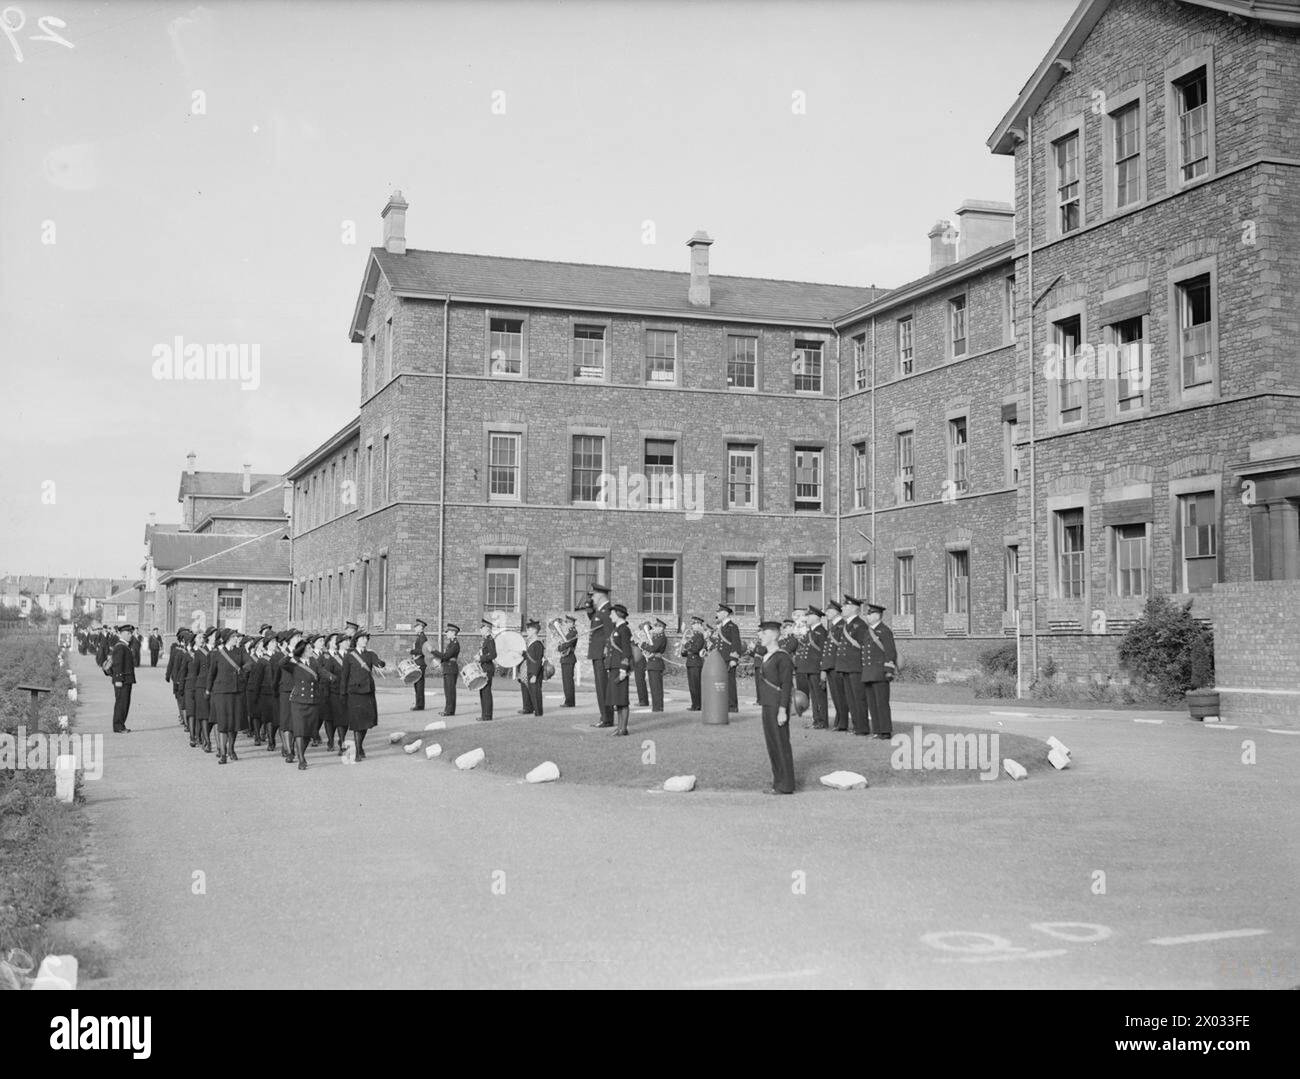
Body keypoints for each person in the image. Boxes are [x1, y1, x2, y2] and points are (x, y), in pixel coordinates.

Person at [756, 620, 795, 795]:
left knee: (781, 744)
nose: (760, 636)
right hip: (767, 705)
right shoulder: (766, 655)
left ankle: (786, 785)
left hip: (777, 706)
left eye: (763, 633)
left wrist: (782, 710)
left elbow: (786, 685)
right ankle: (778, 782)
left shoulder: (782, 657)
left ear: (773, 635)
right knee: (772, 745)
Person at [287, 633, 333, 770]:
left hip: (312, 701)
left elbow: (321, 672)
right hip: (298, 701)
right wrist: (292, 654)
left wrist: (332, 677)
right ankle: (301, 758)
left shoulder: (313, 661)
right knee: (300, 730)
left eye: (310, 648)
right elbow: (281, 664)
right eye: (307, 649)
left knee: (308, 731)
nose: (311, 650)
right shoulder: (294, 662)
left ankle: (301, 752)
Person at [343, 629, 385, 759]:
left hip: (367, 692)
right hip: (354, 693)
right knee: (357, 723)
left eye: (366, 639)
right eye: (362, 638)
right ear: (356, 640)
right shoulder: (349, 656)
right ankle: (357, 752)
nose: (365, 641)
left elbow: (378, 662)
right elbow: (344, 676)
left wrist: (381, 663)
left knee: (366, 722)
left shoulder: (370, 654)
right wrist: (342, 693)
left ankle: (360, 746)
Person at [207, 628, 244, 764]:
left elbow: (249, 664)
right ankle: (223, 753)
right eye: (234, 637)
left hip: (236, 692)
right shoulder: (217, 654)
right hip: (221, 692)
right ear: (228, 638)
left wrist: (242, 672)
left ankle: (231, 749)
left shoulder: (240, 651)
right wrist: (208, 690)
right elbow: (211, 673)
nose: (237, 639)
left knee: (234, 723)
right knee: (222, 723)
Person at [861, 602, 897, 739]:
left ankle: (885, 731)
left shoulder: (885, 631)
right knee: (872, 703)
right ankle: (877, 729)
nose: (868, 616)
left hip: (880, 672)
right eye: (867, 614)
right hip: (869, 672)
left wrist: (889, 670)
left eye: (870, 614)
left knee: (881, 703)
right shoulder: (868, 632)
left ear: (877, 615)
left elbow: (890, 652)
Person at [839, 595, 870, 736]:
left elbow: (864, 647)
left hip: (856, 667)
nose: (842, 608)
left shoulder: (860, 625)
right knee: (851, 699)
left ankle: (862, 727)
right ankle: (856, 726)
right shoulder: (847, 624)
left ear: (853, 609)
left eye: (845, 606)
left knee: (859, 698)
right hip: (846, 666)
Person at [795, 606, 829, 729]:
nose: (806, 618)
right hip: (809, 669)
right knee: (814, 697)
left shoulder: (821, 632)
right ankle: (816, 720)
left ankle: (822, 721)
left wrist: (823, 670)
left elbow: (824, 653)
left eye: (808, 616)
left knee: (819, 696)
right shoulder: (811, 632)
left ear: (815, 617)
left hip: (816, 669)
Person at [586, 584, 614, 728]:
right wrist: (588, 606)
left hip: (602, 655)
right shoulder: (600, 611)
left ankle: (607, 718)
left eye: (593, 595)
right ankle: (604, 716)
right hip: (597, 654)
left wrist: (607, 654)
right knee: (600, 687)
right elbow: (591, 616)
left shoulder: (607, 611)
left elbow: (610, 635)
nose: (592, 598)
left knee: (603, 687)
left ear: (601, 595)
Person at [604, 603, 633, 736]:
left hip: (620, 667)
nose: (610, 616)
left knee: (622, 699)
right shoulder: (617, 629)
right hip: (614, 666)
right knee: (617, 700)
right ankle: (620, 727)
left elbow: (626, 651)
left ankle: (623, 728)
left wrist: (623, 669)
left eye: (612, 613)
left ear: (618, 614)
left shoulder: (624, 630)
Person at [822, 600, 848, 731]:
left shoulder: (842, 626)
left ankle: (843, 723)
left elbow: (842, 648)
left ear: (836, 612)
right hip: (830, 665)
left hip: (837, 665)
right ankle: (839, 721)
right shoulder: (833, 627)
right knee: (836, 696)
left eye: (829, 611)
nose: (826, 613)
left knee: (840, 696)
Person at [715, 604, 743, 712]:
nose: (717, 614)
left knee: (730, 684)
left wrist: (734, 659)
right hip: (721, 659)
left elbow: (736, 643)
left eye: (719, 612)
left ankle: (732, 706)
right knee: (722, 683)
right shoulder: (722, 627)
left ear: (725, 613)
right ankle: (725, 705)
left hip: (728, 659)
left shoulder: (732, 626)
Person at [429, 624, 460, 716]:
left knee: (450, 691)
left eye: (448, 632)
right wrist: (437, 662)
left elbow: (446, 656)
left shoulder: (455, 644)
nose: (446, 633)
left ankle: (450, 711)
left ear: (453, 633)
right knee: (447, 691)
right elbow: (445, 657)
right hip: (448, 668)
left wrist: (433, 651)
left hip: (451, 668)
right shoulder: (451, 643)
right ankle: (447, 709)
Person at [321, 633, 346, 752]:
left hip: (345, 692)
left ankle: (342, 740)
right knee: (330, 718)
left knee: (343, 719)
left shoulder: (349, 656)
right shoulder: (329, 658)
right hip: (333, 692)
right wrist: (325, 694)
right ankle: (331, 740)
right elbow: (325, 676)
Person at [109, 624, 136, 733]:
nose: (130, 635)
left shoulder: (124, 645)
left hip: (126, 679)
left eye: (131, 633)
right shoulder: (120, 646)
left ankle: (121, 725)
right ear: (122, 634)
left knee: (124, 703)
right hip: (122, 680)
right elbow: (118, 665)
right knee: (121, 703)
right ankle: (118, 726)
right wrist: (118, 680)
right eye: (128, 633)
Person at [681, 615, 706, 711]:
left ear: (699, 625)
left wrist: (686, 644)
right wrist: (684, 651)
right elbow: (689, 649)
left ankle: (698, 705)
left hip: (696, 662)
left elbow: (695, 649)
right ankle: (694, 704)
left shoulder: (699, 636)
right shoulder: (694, 636)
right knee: (692, 686)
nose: (692, 625)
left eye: (694, 624)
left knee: (696, 685)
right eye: (692, 624)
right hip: (691, 662)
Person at [473, 618, 497, 721]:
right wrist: (479, 657)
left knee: (486, 692)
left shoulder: (490, 640)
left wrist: (481, 658)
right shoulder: (485, 640)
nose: (480, 629)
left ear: (487, 628)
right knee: (482, 691)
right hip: (484, 667)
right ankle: (484, 714)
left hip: (488, 668)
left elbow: (493, 654)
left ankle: (487, 715)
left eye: (482, 627)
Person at [165, 630, 188, 725]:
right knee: (179, 698)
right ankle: (183, 717)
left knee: (183, 699)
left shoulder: (189, 649)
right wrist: (168, 674)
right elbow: (171, 663)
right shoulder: (176, 649)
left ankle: (184, 717)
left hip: (185, 678)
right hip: (177, 678)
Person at [522, 620, 545, 716]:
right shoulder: (531, 643)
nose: (527, 632)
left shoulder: (537, 644)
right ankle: (534, 709)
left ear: (534, 630)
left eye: (529, 630)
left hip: (534, 671)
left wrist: (535, 675)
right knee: (532, 691)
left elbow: (538, 660)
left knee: (536, 692)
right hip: (530, 670)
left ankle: (539, 712)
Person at [645, 618, 667, 712]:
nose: (655, 628)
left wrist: (643, 645)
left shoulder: (661, 637)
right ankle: (656, 706)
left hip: (656, 664)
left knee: (657, 687)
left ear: (661, 628)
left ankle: (658, 707)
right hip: (652, 663)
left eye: (657, 626)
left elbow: (654, 648)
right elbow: (651, 647)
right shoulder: (655, 637)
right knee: (653, 688)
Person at [557, 615, 578, 707]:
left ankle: (569, 702)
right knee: (566, 682)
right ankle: (569, 701)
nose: (567, 624)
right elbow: (563, 644)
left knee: (568, 681)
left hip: (569, 658)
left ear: (572, 623)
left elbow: (567, 644)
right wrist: (561, 646)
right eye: (566, 622)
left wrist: (560, 647)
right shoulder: (569, 633)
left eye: (568, 622)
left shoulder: (573, 633)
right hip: (566, 659)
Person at [409, 617, 428, 711]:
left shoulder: (422, 637)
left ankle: (420, 705)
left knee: (419, 684)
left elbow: (423, 650)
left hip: (420, 662)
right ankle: (418, 703)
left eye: (416, 626)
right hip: (418, 662)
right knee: (417, 683)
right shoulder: (419, 637)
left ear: (421, 627)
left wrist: (412, 651)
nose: (415, 628)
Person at [632, 624, 650, 708]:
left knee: (640, 681)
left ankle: (643, 701)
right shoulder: (640, 637)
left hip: (641, 661)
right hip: (638, 661)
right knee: (639, 681)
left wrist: (637, 639)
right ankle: (642, 700)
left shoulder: (646, 637)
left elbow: (643, 647)